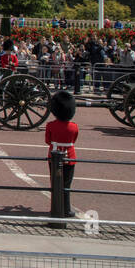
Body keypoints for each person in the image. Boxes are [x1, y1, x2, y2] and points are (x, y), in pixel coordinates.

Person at [45, 90, 79, 218]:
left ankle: (55, 208)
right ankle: (66, 209)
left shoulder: (50, 125)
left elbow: (47, 141)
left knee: (55, 183)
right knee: (66, 185)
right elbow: (74, 140)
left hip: (53, 157)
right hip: (69, 156)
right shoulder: (74, 127)